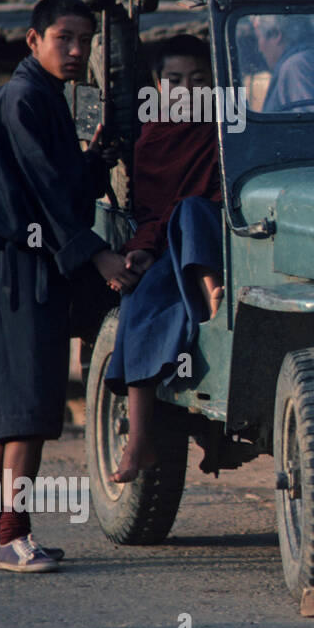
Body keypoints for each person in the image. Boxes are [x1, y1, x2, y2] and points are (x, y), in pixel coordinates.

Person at [0, 0, 136, 572]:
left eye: (84, 41)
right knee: (24, 409)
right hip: (24, 268)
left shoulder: (41, 97)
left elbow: (67, 180)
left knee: (3, 411)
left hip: (20, 268)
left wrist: (94, 159)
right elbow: (50, 194)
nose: (75, 51)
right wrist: (96, 255)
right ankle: (12, 537)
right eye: (63, 38)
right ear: (33, 40)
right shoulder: (24, 98)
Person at [104, 35, 224, 483]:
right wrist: (140, 250)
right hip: (171, 248)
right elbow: (152, 212)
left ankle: (214, 292)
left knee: (195, 209)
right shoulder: (151, 140)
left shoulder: (227, 129)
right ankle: (139, 441)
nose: (187, 90)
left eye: (199, 80)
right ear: (157, 85)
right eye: (175, 80)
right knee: (139, 301)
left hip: (216, 244)